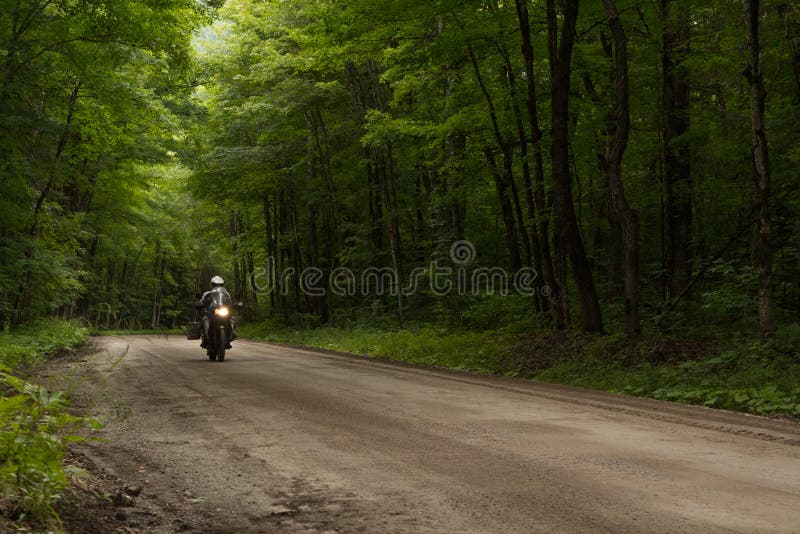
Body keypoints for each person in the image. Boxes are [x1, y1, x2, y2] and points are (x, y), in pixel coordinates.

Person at [197, 276, 237, 349]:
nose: (218, 286)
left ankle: (232, 334)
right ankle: (204, 337)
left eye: (220, 285)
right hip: (211, 312)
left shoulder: (226, 294)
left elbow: (230, 303)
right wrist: (199, 304)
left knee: (232, 319)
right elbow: (201, 301)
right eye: (216, 285)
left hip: (223, 310)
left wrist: (235, 305)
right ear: (212, 285)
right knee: (204, 319)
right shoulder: (207, 293)